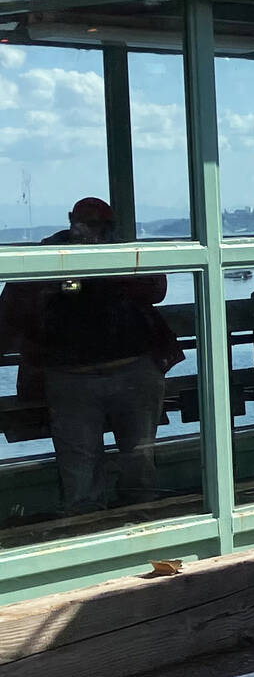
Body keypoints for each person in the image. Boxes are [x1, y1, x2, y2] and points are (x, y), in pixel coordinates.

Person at [0, 198, 175, 514]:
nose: (87, 230)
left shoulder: (119, 254)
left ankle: (140, 519)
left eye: (96, 225)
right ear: (70, 221)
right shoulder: (48, 256)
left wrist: (103, 273)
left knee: (136, 462)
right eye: (84, 222)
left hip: (121, 371)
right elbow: (13, 309)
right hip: (78, 376)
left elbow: (156, 288)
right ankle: (92, 527)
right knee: (83, 467)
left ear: (108, 228)